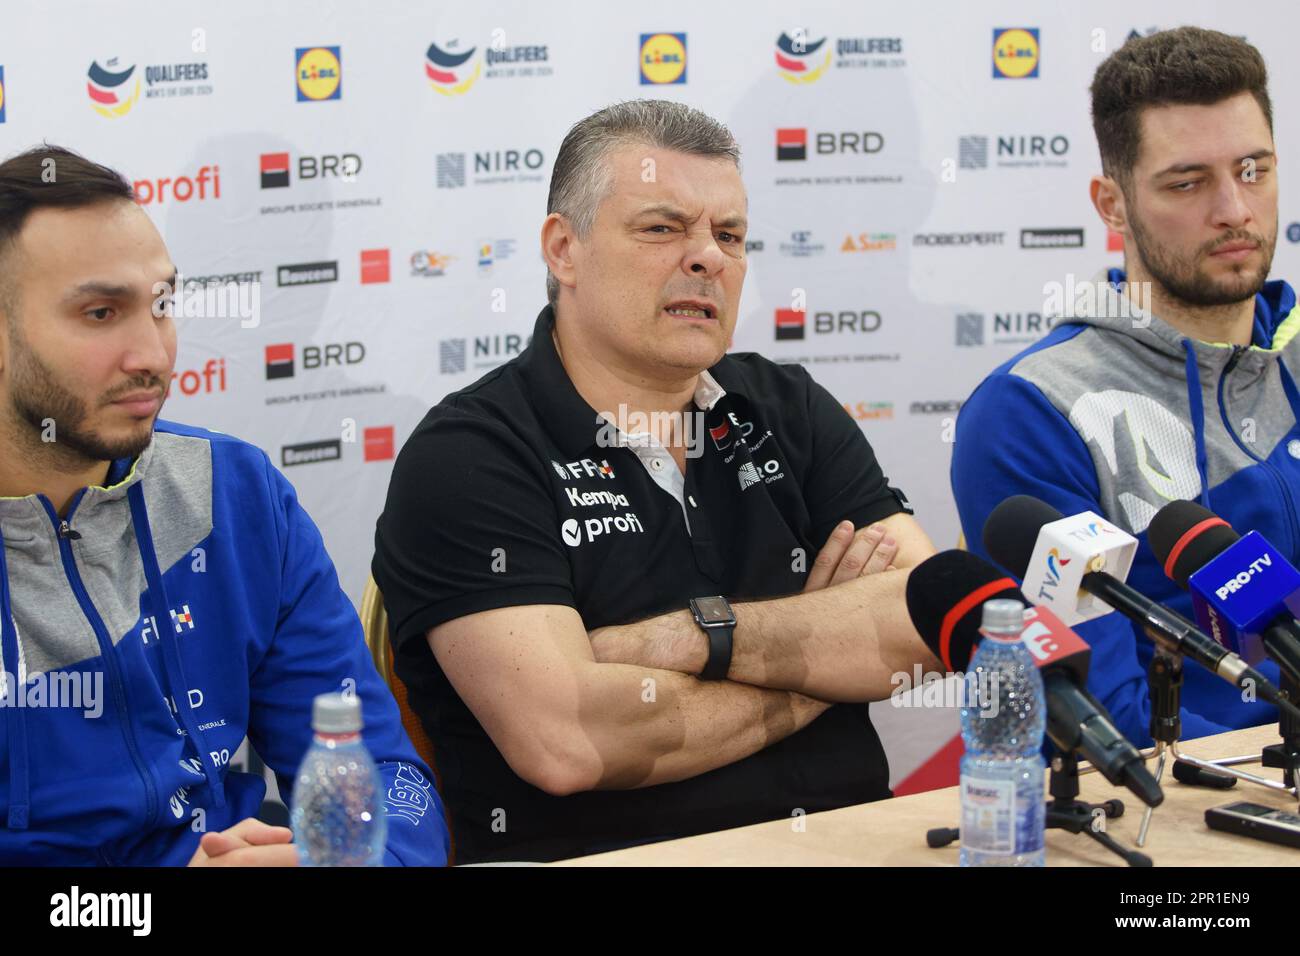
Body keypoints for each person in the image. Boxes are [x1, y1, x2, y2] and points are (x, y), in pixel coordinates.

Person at [374, 99, 939, 864]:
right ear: (562, 249)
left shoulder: (789, 407)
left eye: (729, 236)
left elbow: (930, 624)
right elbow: (571, 741)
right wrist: (825, 655)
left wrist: (693, 639)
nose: (707, 257)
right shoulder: (468, 456)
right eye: (663, 228)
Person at [0, 145, 447, 865]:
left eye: (162, 306)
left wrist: (341, 858)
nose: (152, 352)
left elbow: (394, 785)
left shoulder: (235, 496)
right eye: (100, 312)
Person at [953, 26, 1292, 746]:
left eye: (1253, 170)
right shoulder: (1033, 410)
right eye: (1188, 181)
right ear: (1111, 204)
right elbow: (1108, 720)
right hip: (1201, 816)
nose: (1234, 209)